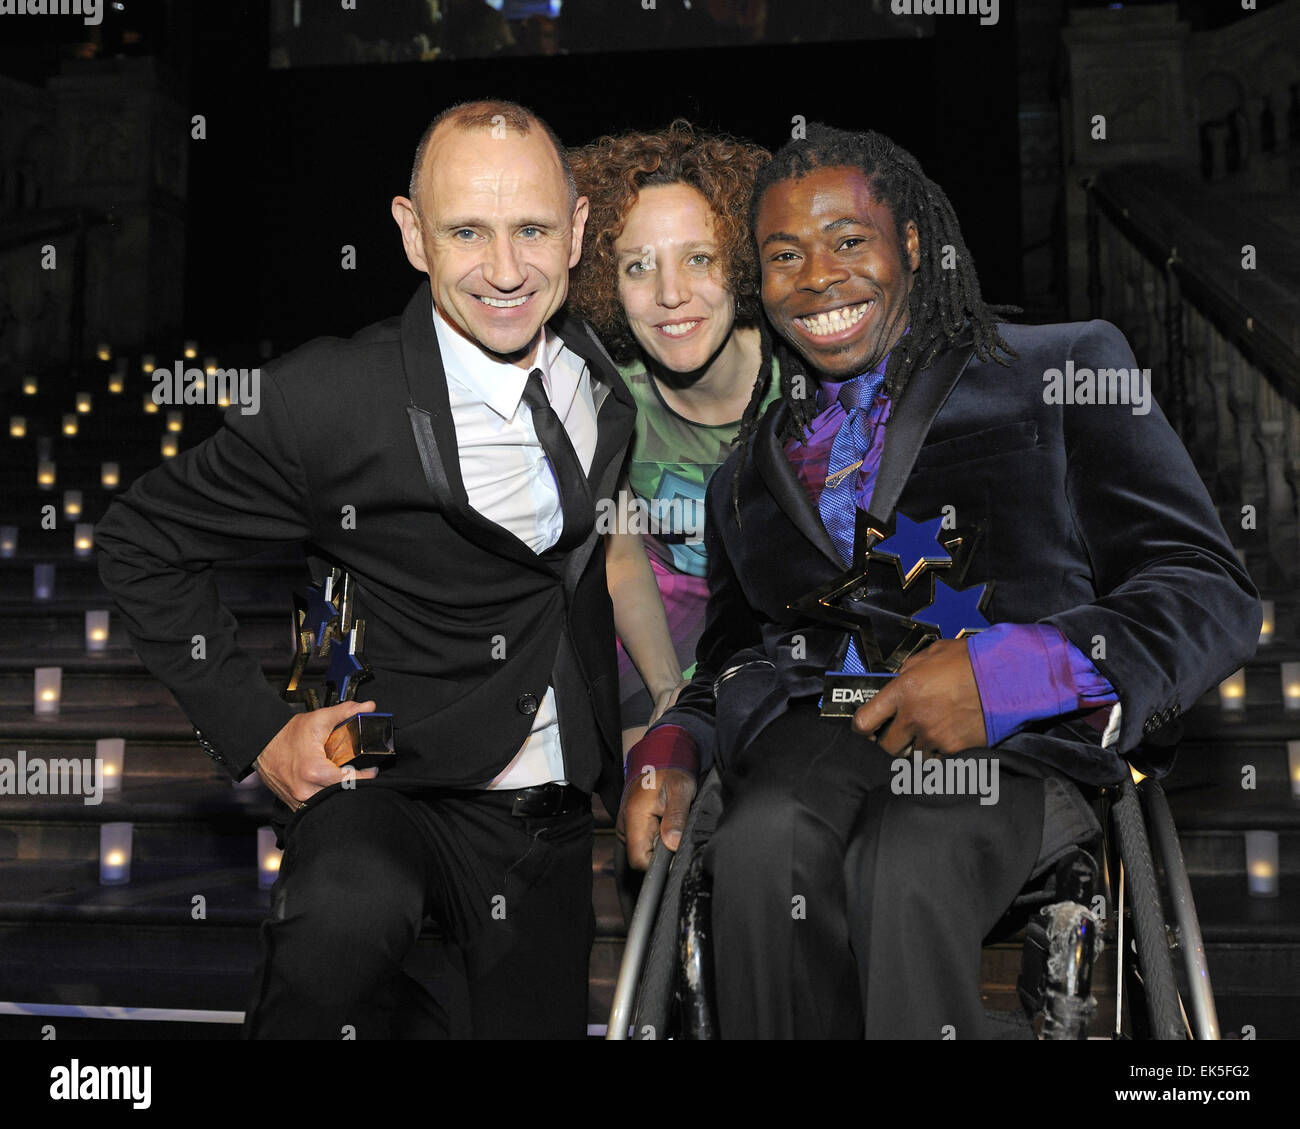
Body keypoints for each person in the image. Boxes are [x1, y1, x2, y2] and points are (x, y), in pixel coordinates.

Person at [619, 123, 1261, 1038]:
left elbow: (1208, 588)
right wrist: (673, 746)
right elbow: (728, 660)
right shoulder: (741, 479)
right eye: (784, 255)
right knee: (759, 850)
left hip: (1015, 749)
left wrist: (1012, 670)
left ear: (912, 243)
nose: (818, 277)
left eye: (849, 240)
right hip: (812, 741)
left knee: (907, 855)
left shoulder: (1060, 367)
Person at [95, 100, 636, 1039]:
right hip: (387, 786)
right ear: (411, 234)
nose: (505, 270)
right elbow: (141, 541)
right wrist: (261, 729)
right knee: (342, 923)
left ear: (579, 230)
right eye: (467, 230)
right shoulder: (327, 400)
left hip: (546, 816)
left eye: (533, 230)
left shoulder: (606, 375)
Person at [566, 122, 779, 758]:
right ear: (608, 282)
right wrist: (668, 691)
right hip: (658, 625)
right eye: (638, 266)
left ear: (740, 262)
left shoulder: (808, 381)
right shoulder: (607, 399)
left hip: (786, 625)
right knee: (654, 779)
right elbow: (623, 558)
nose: (670, 295)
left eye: (699, 258)